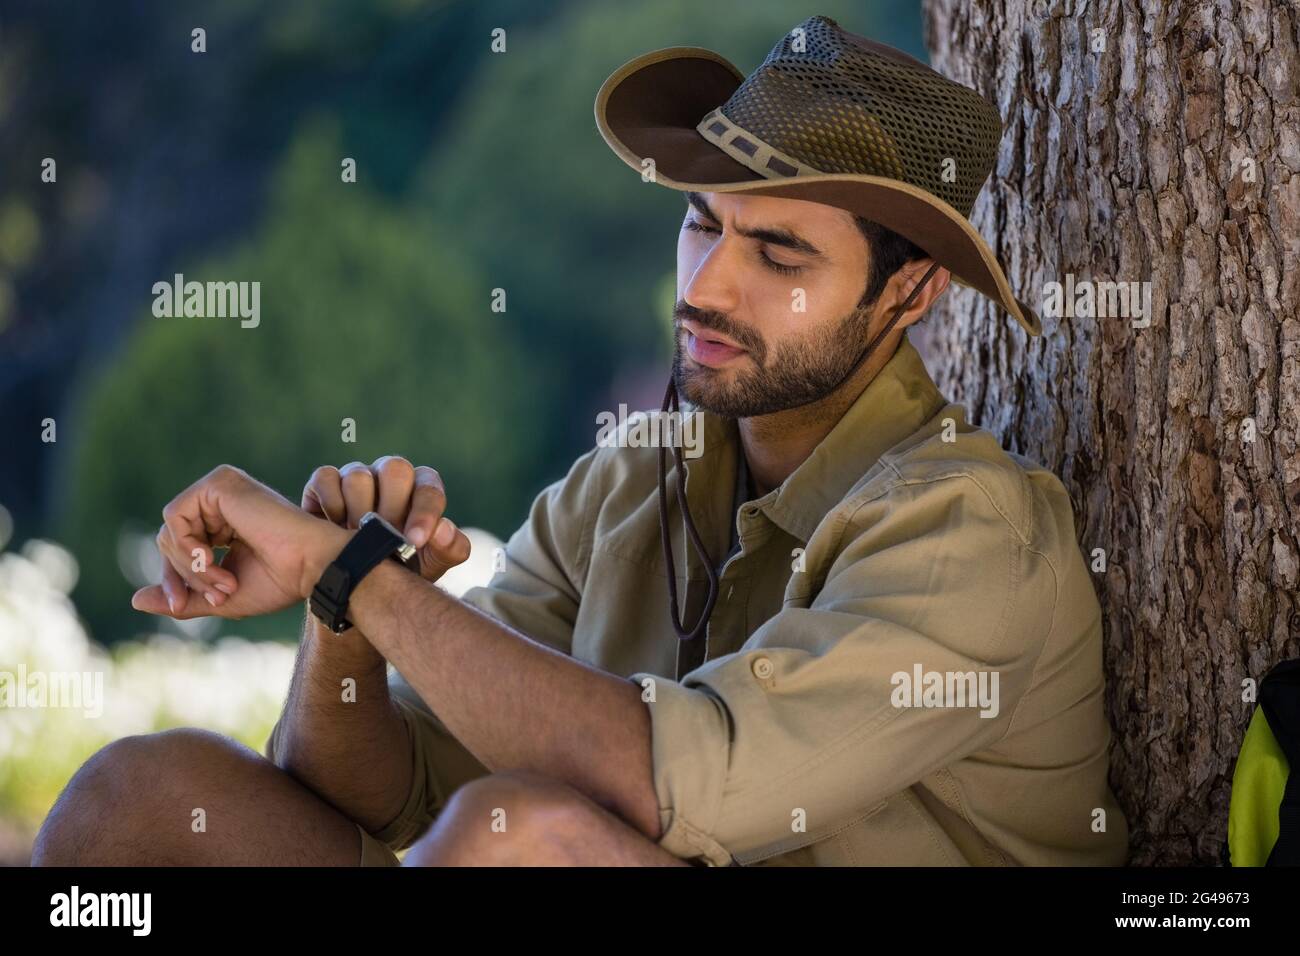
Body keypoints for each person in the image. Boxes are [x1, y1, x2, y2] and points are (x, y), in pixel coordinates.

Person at [33, 15, 1128, 867]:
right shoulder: (631, 481)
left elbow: (674, 780)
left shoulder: (967, 527)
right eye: (703, 220)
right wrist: (347, 607)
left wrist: (356, 574)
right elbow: (381, 787)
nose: (706, 285)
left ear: (911, 290)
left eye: (780, 255)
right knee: (134, 799)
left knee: (520, 838)